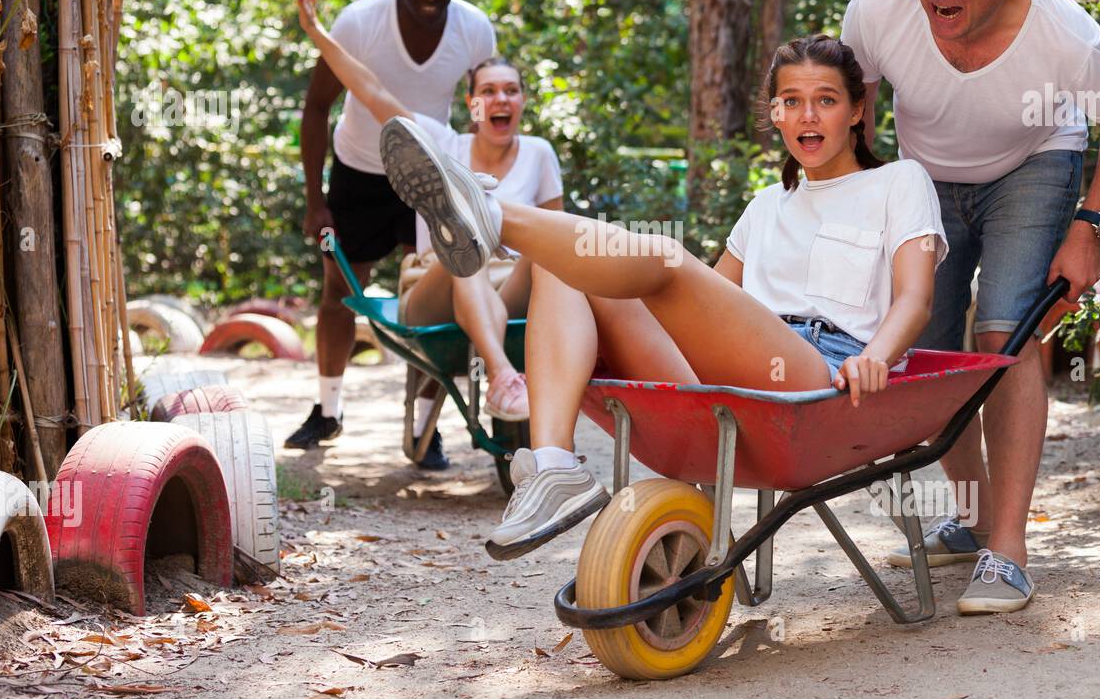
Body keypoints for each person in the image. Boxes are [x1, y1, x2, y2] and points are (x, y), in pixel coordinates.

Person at [376, 34, 949, 560]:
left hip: (822, 381)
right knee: (566, 267)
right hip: (732, 383)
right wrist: (613, 310)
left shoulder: (898, 182)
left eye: (826, 100)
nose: (807, 114)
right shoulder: (766, 206)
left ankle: (492, 215)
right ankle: (553, 466)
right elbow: (708, 307)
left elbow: (915, 298)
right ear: (775, 115)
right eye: (790, 101)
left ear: (856, 111)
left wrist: (876, 354)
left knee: (669, 263)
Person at [839, 0, 1100, 613]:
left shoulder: (1066, 34)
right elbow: (854, 100)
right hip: (925, 177)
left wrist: (1088, 228)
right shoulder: (880, 4)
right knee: (935, 352)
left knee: (1004, 335)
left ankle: (1007, 549)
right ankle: (974, 517)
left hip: (1034, 166)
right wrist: (868, 197)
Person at [286, 0, 496, 469]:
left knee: (431, 300)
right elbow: (316, 109)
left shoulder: (474, 30)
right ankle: (328, 410)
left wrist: (479, 180)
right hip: (360, 171)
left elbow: (485, 112)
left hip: (430, 173)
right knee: (339, 292)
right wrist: (316, 200)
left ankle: (424, 430)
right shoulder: (360, 23)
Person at [400, 57, 566, 423]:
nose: (501, 99)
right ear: (471, 102)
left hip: (504, 286)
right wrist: (319, 34)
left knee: (549, 252)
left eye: (511, 90)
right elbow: (373, 93)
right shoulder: (445, 147)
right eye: (488, 91)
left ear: (523, 100)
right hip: (433, 286)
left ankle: (519, 383)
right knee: (464, 242)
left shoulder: (539, 152)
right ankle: (502, 375)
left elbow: (556, 230)